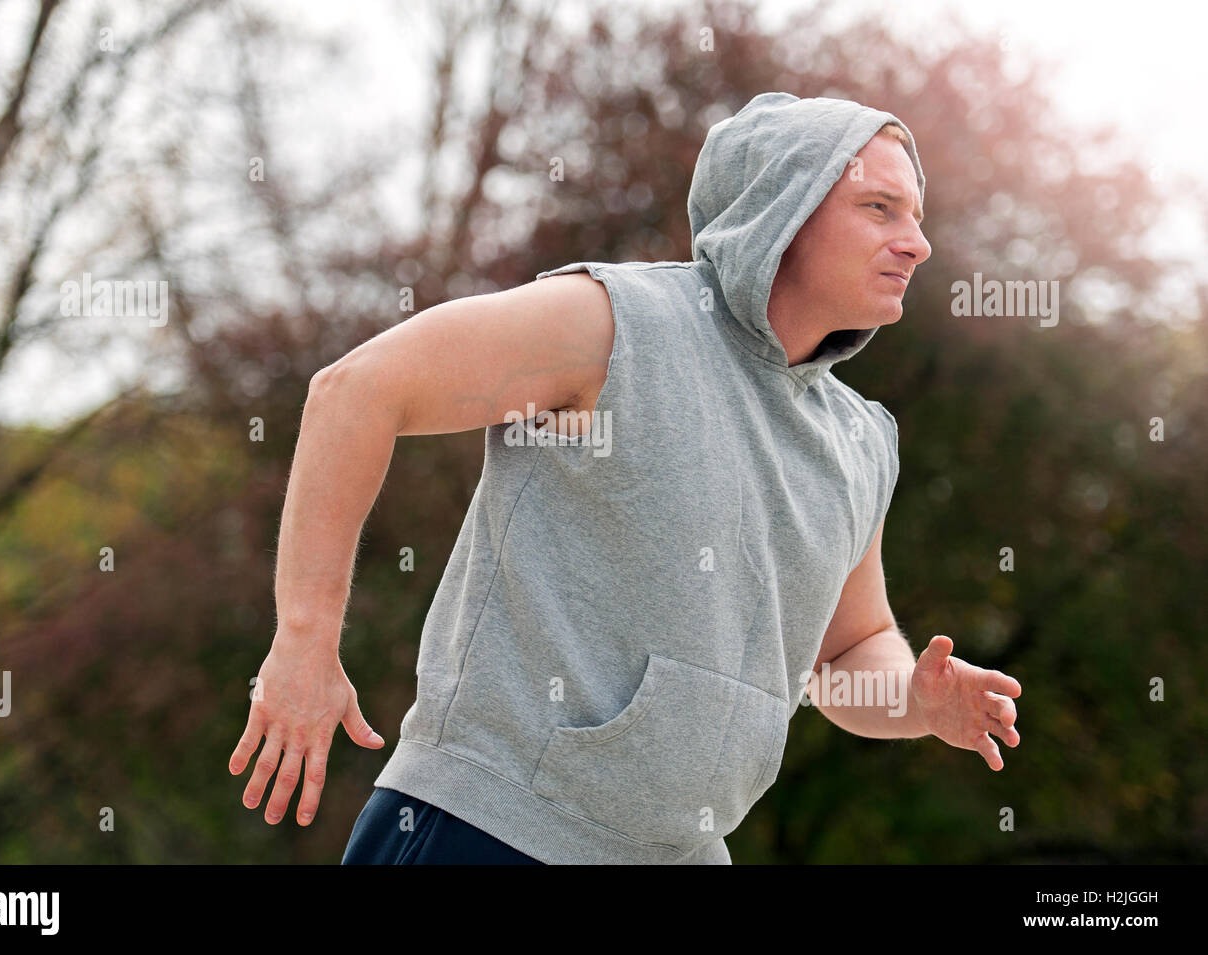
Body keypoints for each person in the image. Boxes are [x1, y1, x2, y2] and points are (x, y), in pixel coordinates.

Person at [229, 91, 1023, 865]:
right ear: (783, 208)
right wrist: (303, 640)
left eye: (916, 216)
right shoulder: (614, 322)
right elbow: (357, 390)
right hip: (487, 828)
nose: (916, 242)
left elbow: (849, 653)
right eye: (880, 208)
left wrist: (916, 702)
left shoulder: (860, 439)